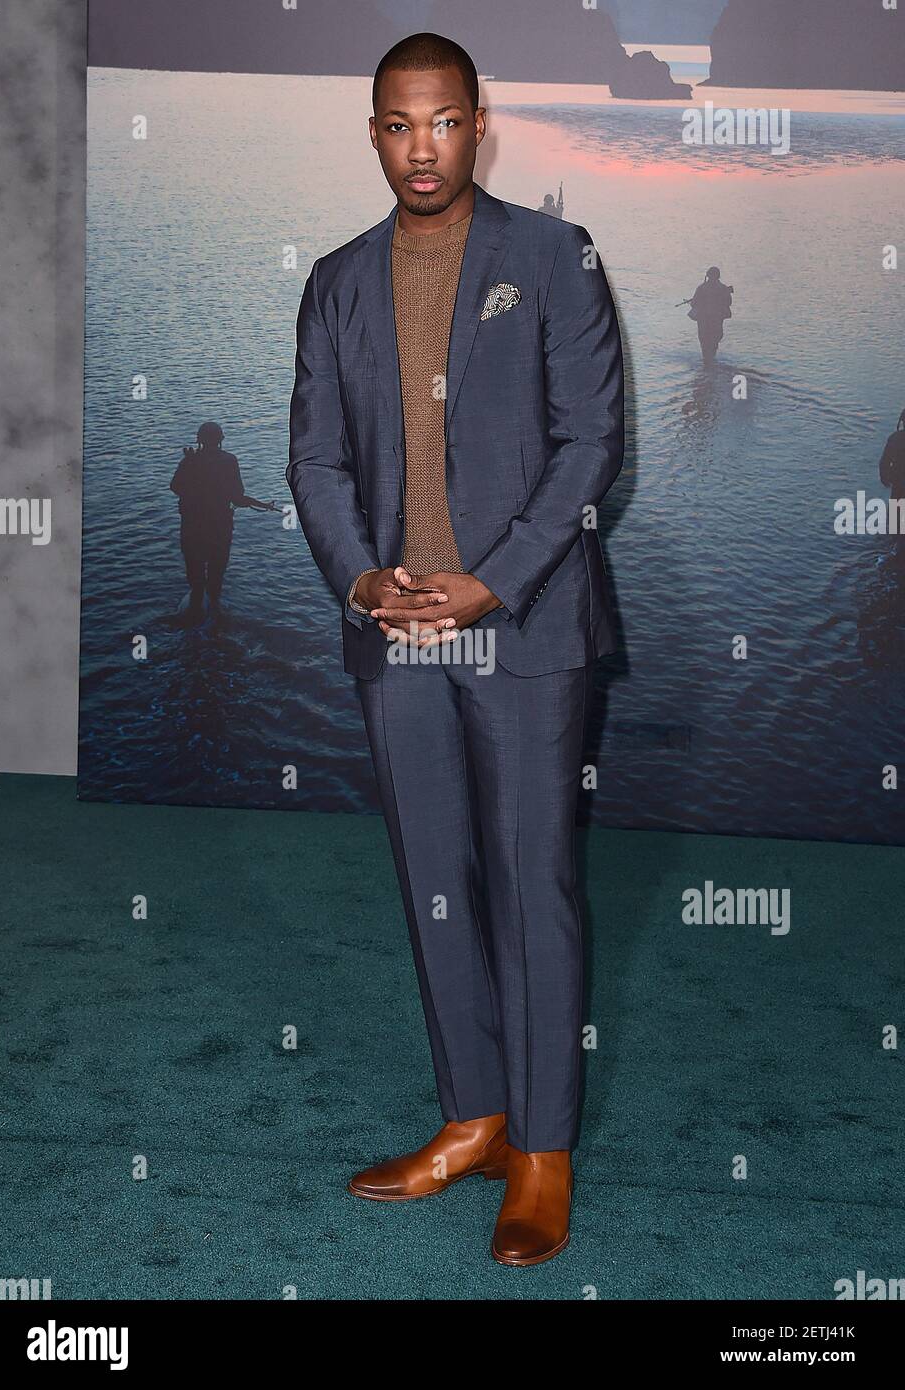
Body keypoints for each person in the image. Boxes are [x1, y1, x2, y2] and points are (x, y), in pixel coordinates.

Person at [286, 32, 625, 1266]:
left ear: (478, 124)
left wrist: (493, 581)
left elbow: (591, 443)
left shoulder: (552, 255)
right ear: (373, 132)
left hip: (522, 630)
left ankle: (542, 1147)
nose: (418, 146)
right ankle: (473, 1115)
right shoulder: (333, 279)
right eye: (394, 124)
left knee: (531, 883)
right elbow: (315, 461)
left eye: (440, 122)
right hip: (397, 634)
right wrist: (362, 577)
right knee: (435, 876)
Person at [169, 422, 272, 617]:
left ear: (199, 440)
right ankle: (214, 616)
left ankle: (195, 611)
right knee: (216, 577)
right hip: (220, 528)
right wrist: (262, 505)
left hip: (192, 528)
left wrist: (190, 465)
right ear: (221, 440)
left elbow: (175, 487)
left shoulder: (190, 461)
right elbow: (238, 496)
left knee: (196, 577)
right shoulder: (229, 461)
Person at [687, 266, 733, 365]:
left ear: (708, 276)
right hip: (717, 318)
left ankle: (707, 361)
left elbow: (694, 303)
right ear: (718, 276)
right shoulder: (723, 288)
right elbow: (729, 302)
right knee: (715, 339)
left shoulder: (701, 288)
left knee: (704, 340)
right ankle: (711, 359)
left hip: (703, 319)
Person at [879, 408, 905, 504]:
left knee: (894, 517)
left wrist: (885, 477)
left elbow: (884, 462)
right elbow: (884, 462)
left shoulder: (895, 438)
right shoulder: (895, 438)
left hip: (898, 484)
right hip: (898, 484)